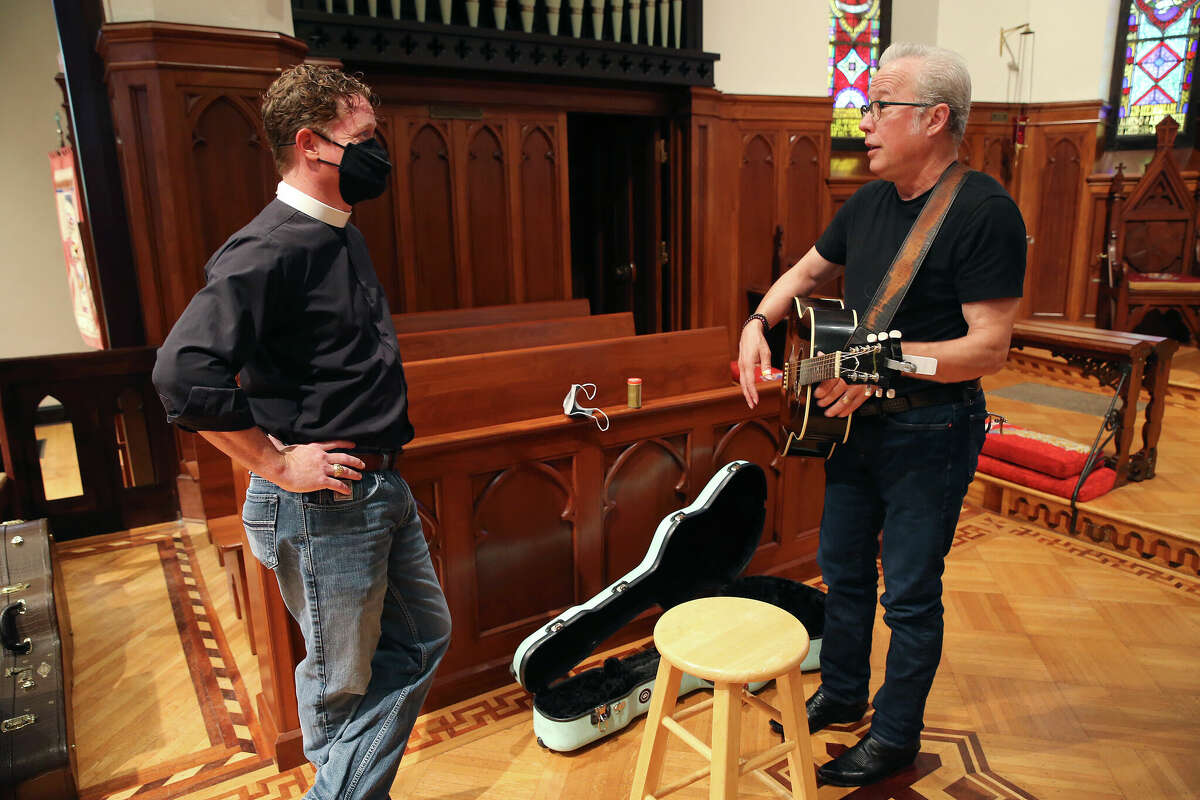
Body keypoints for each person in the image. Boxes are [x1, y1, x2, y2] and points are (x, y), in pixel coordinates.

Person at [152, 65, 451, 800]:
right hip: (325, 506)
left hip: (375, 486)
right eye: (365, 138)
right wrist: (277, 465)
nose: (379, 152)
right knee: (339, 692)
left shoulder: (337, 232)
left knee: (420, 641)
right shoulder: (272, 247)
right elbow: (181, 375)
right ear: (312, 145)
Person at [738, 43, 1025, 787]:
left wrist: (885, 364)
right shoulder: (865, 204)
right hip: (852, 423)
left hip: (932, 428)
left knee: (909, 591)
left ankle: (895, 736)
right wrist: (757, 325)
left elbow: (989, 348)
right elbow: (807, 273)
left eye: (877, 105)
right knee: (841, 569)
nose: (861, 121)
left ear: (934, 119)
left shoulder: (984, 210)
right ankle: (841, 690)